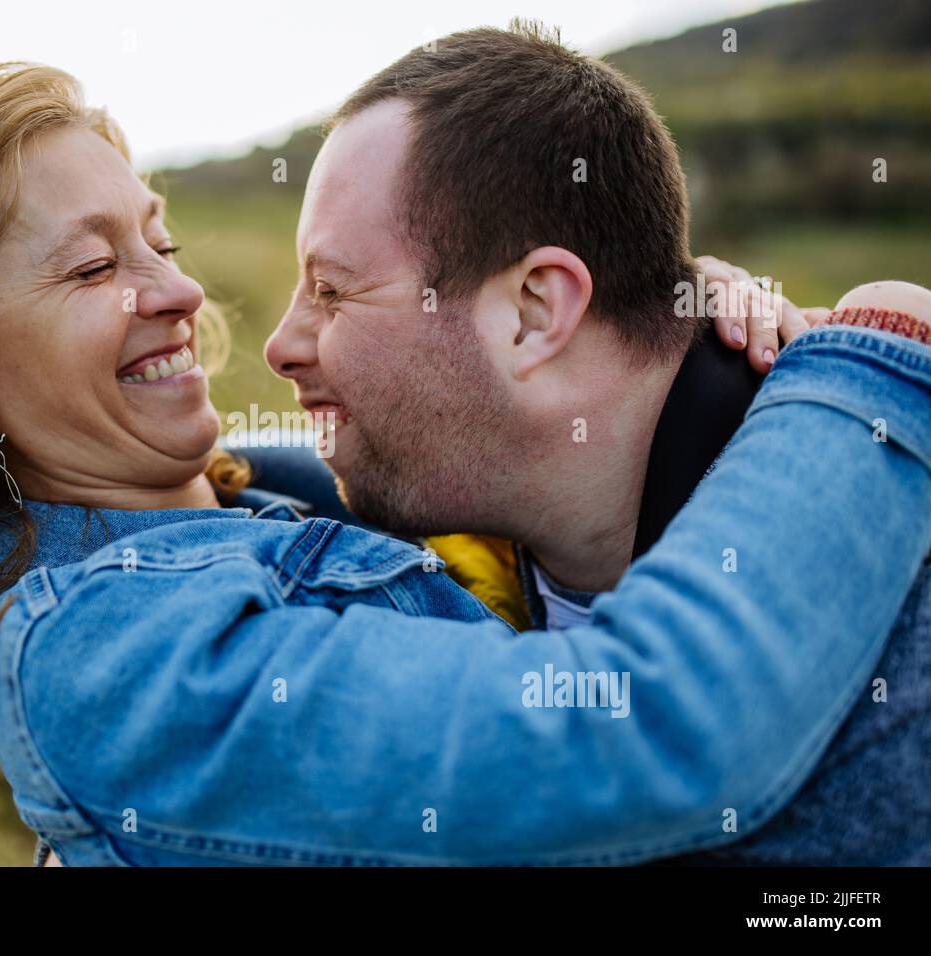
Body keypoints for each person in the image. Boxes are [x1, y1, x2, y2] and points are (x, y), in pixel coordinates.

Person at [0, 62, 931, 868]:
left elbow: (521, 407)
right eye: (96, 267)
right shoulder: (111, 648)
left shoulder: (244, 503)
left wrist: (680, 318)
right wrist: (866, 360)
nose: (182, 293)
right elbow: (638, 735)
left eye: (156, 239)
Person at [255, 25, 931, 864]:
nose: (280, 344)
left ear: (537, 310)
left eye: (330, 289)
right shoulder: (446, 525)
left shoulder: (900, 660)